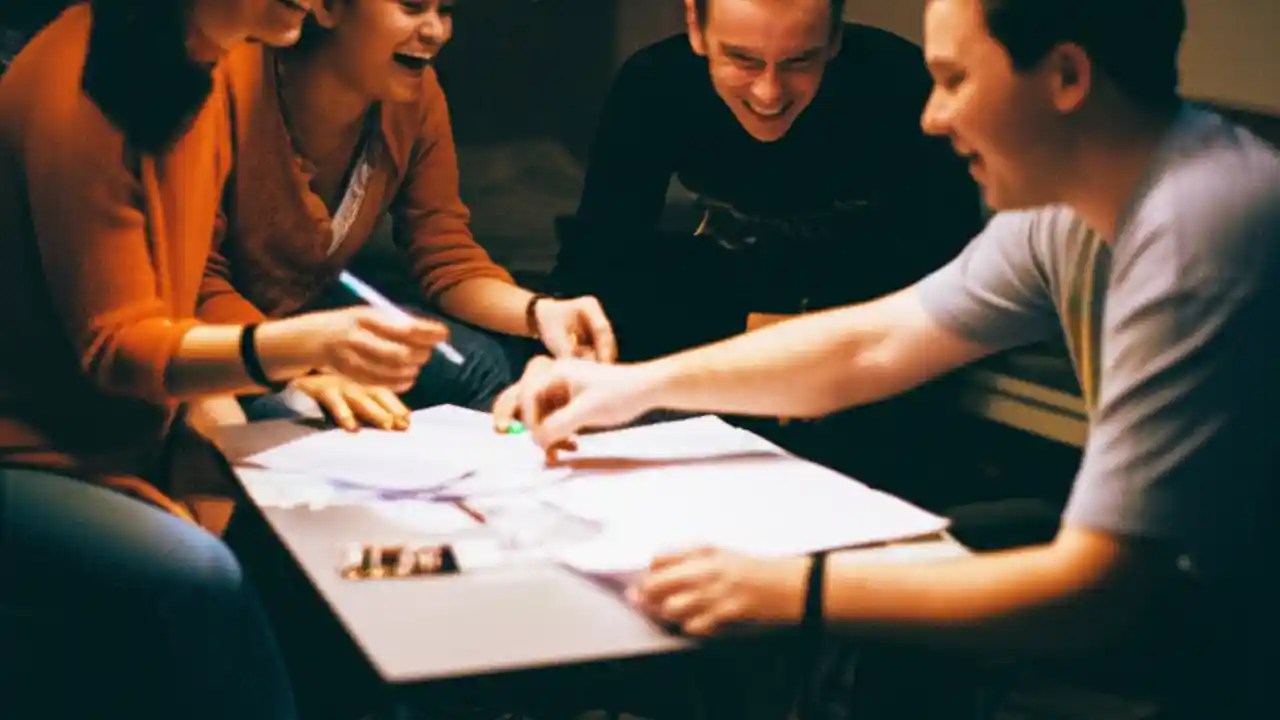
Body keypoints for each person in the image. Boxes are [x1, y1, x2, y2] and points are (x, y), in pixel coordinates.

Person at [495, 0, 1280, 716]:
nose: (933, 118)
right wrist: (629, 386)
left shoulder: (1198, 223)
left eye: (953, 79)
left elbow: (1101, 591)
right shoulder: (1066, 207)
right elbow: (877, 341)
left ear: (1066, 77)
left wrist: (787, 590)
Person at [0, 0, 438, 716]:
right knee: (200, 575)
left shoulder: (214, 65)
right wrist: (308, 345)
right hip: (29, 452)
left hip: (132, 434)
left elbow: (182, 291)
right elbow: (117, 346)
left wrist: (235, 421)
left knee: (339, 530)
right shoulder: (81, 81)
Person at [548, 0, 983, 500]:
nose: (769, 93)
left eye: (800, 61)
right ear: (696, 25)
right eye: (743, 59)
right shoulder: (655, 84)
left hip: (874, 347)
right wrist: (566, 344)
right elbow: (597, 263)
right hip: (720, 336)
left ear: (836, 36)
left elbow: (945, 275)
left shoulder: (900, 84)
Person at [191, 0, 617, 433]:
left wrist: (539, 312)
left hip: (312, 315)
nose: (435, 31)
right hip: (215, 337)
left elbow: (444, 253)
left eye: (445, 11)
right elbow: (196, 281)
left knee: (492, 365)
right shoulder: (228, 84)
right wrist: (299, 365)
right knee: (293, 417)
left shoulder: (414, 96)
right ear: (327, 8)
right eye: (412, 7)